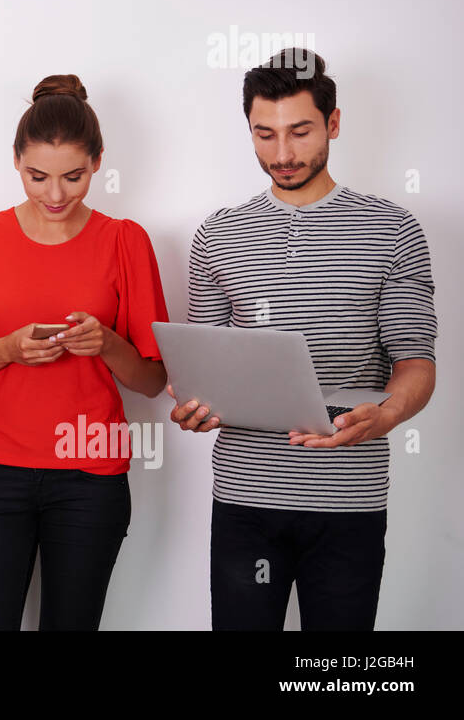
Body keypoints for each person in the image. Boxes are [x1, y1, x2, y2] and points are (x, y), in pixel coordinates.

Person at [169, 49, 436, 630]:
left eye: (300, 132)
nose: (282, 155)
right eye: (264, 135)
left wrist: (387, 414)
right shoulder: (217, 234)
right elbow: (205, 365)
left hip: (349, 498)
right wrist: (193, 404)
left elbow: (416, 364)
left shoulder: (393, 230)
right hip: (245, 497)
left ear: (333, 124)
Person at [0, 74, 170, 630]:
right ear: (16, 161)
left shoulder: (125, 241)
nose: (56, 195)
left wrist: (107, 344)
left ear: (98, 162)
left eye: (74, 177)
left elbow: (152, 382)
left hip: (91, 478)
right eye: (38, 176)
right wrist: (8, 351)